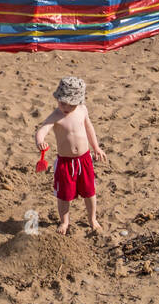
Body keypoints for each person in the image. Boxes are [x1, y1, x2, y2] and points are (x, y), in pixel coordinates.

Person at [34, 76, 106, 234]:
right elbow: (42, 130)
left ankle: (92, 218)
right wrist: (40, 141)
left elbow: (89, 129)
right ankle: (64, 221)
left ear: (78, 102)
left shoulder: (82, 110)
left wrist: (96, 148)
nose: (65, 106)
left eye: (70, 104)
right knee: (64, 195)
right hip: (65, 163)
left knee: (90, 192)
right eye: (62, 102)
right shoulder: (56, 115)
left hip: (84, 159)